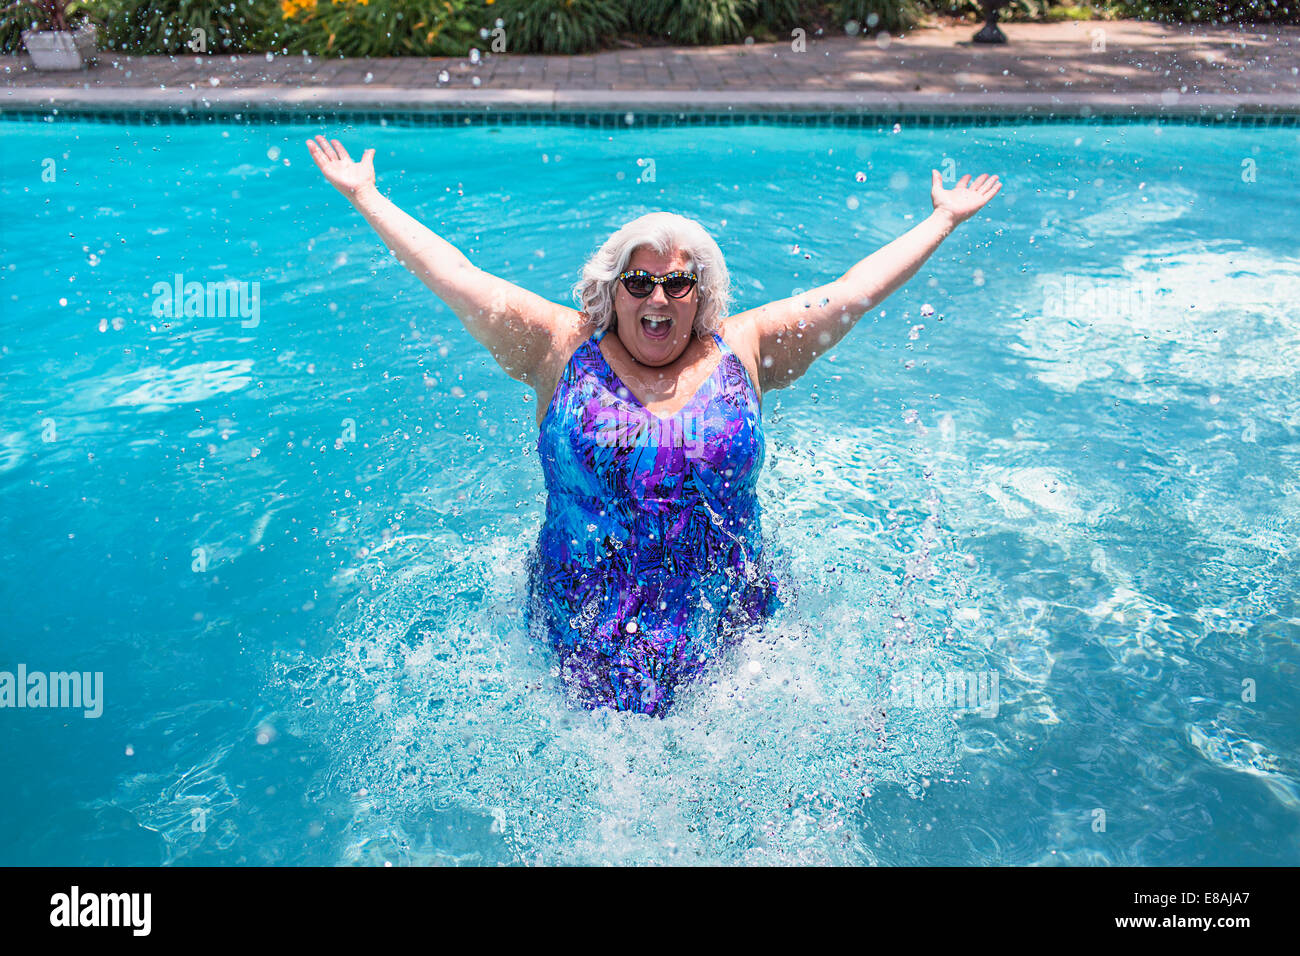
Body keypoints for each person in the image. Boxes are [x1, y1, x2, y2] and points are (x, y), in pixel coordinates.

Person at [306, 134, 1001, 717]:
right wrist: (366, 197)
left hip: (729, 630)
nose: (658, 298)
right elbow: (457, 275)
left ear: (702, 294)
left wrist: (942, 219)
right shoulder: (558, 347)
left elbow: (853, 291)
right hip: (579, 632)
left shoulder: (747, 348)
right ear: (614, 291)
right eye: (639, 283)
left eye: (677, 283)